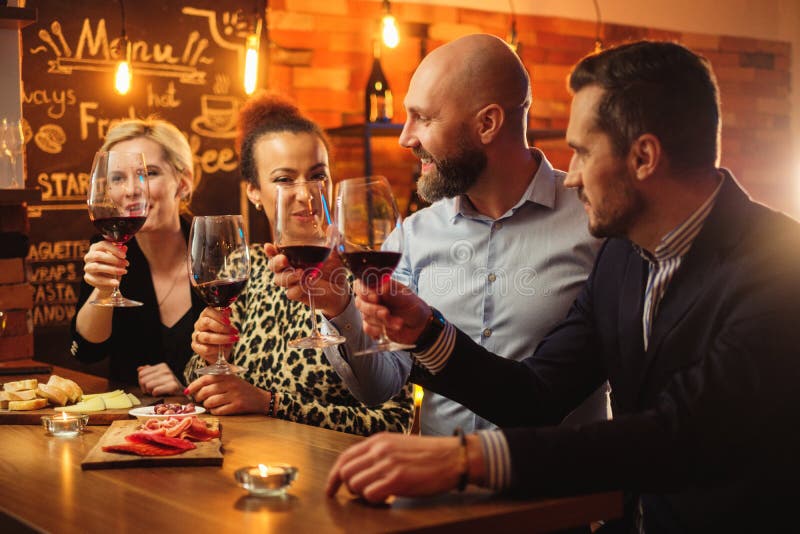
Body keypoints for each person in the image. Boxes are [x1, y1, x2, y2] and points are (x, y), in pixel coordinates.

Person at [326, 40, 800, 531]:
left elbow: (679, 432)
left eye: (581, 153)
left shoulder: (781, 264)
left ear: (644, 157)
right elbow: (536, 394)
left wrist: (466, 459)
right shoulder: (620, 256)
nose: (569, 178)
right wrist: (427, 332)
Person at [269, 33, 610, 436]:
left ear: (488, 123)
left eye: (424, 118)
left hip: (558, 494)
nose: (405, 137)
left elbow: (548, 395)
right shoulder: (412, 236)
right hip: (442, 492)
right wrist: (339, 305)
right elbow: (379, 387)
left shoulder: (596, 223)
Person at [183, 93, 413, 436]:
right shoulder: (245, 269)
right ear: (254, 192)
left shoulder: (366, 273)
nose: (306, 194)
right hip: (247, 465)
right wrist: (212, 356)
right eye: (284, 179)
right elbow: (196, 381)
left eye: (318, 175)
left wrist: (271, 403)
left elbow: (394, 422)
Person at [71, 118, 204, 396]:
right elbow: (86, 351)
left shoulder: (214, 253)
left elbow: (246, 361)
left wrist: (187, 385)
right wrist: (103, 290)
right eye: (118, 178)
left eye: (148, 173)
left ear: (183, 183)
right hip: (129, 424)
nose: (131, 189)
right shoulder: (106, 251)